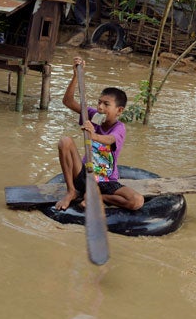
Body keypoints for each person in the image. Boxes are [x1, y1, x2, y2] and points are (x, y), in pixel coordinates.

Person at [55, 57, 145, 212]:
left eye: (106, 104)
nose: (100, 107)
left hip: (106, 180)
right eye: (99, 102)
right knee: (65, 141)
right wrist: (75, 75)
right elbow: (68, 101)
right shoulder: (93, 115)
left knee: (137, 201)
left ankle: (98, 197)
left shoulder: (120, 127)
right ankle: (72, 191)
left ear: (119, 110)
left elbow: (111, 139)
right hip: (85, 175)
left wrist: (93, 135)